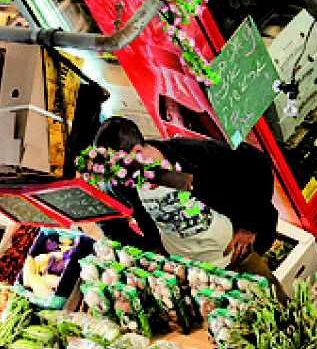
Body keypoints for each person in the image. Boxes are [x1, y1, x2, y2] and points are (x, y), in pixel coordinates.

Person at [88, 117, 280, 285]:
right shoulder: (121, 181)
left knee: (274, 305)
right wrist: (148, 249)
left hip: (237, 257)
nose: (121, 181)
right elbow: (105, 218)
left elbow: (257, 163)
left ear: (137, 152)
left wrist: (249, 226)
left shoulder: (190, 154)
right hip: (192, 272)